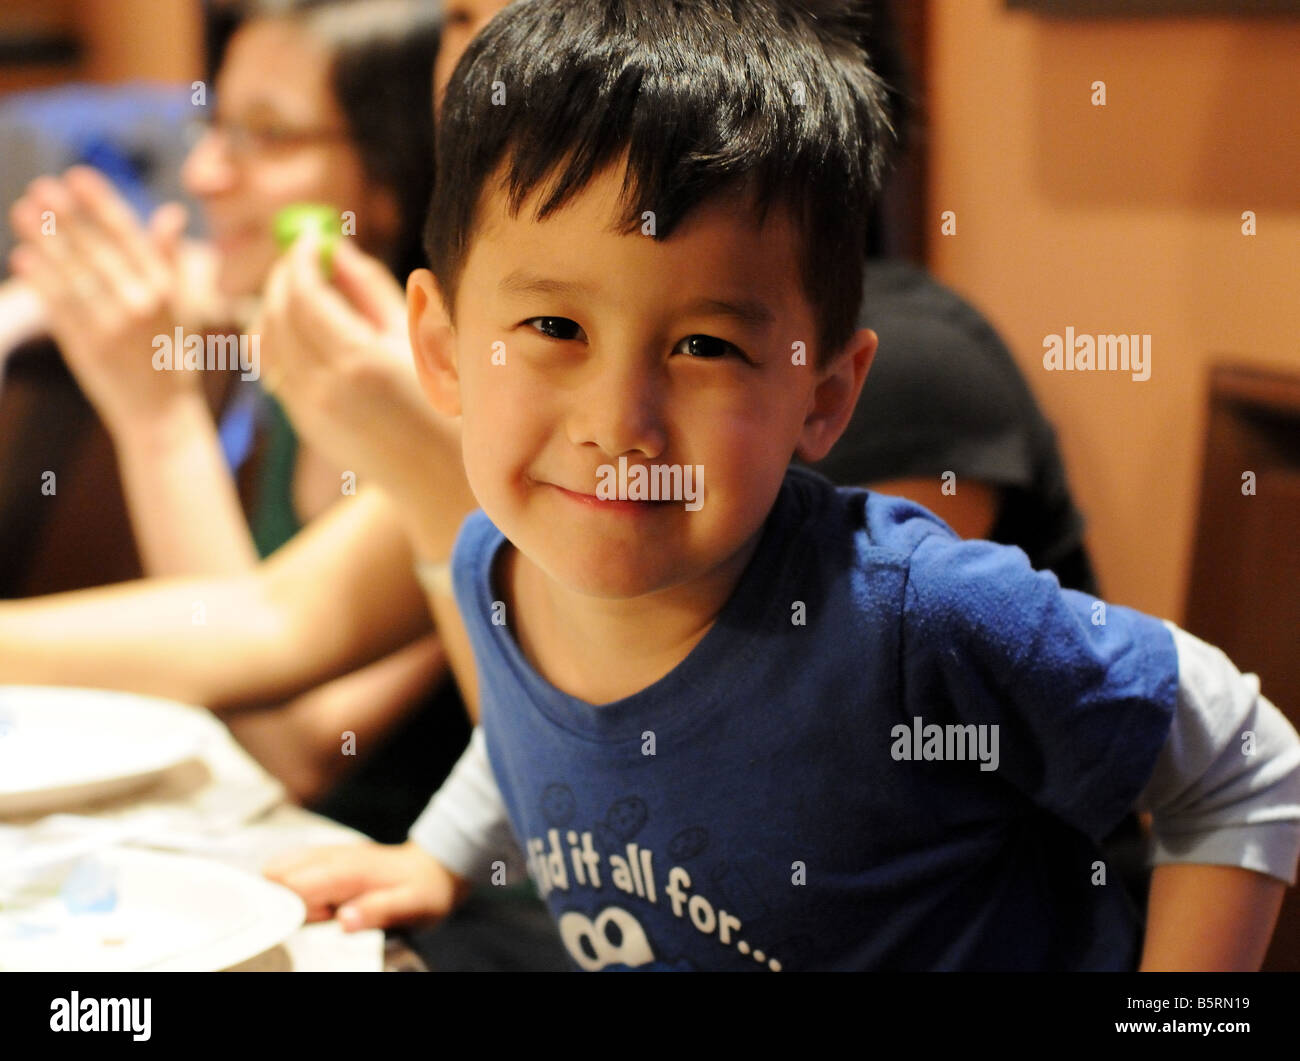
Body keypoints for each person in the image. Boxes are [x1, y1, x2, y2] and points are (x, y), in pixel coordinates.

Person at [265, 0, 1300, 970]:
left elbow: (1245, 758)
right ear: (440, 349)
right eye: (553, 328)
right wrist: (438, 853)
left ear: (826, 392)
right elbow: (535, 730)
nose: (620, 421)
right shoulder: (495, 561)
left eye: (704, 344)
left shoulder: (917, 616)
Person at [4, 0, 470, 839]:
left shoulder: (455, 391)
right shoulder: (292, 318)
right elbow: (180, 272)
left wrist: (158, 420)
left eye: (272, 136)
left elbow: (289, 746)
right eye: (215, 127)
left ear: (396, 173)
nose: (207, 173)